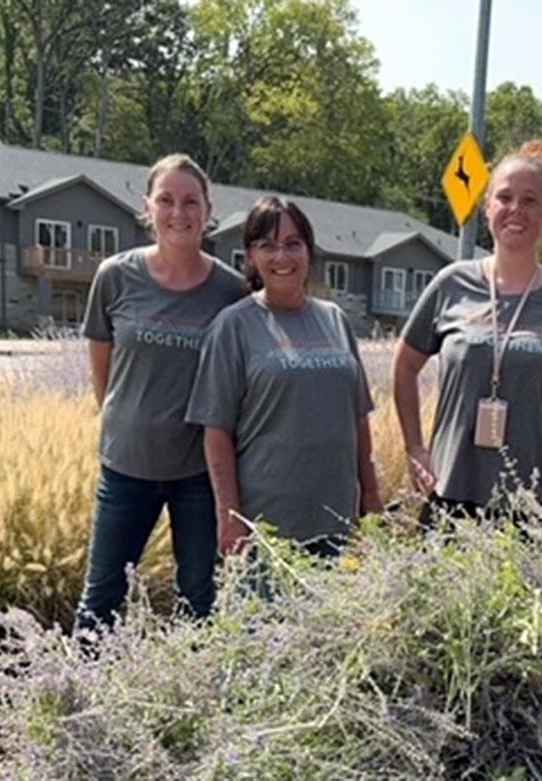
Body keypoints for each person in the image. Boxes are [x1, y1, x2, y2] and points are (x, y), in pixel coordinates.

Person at [392, 140, 542, 525]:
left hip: (537, 496)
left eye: (531, 201)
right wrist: (415, 447)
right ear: (487, 208)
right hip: (451, 487)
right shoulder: (451, 283)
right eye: (505, 197)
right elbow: (405, 365)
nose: (516, 210)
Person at [75, 154, 246, 632]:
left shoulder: (230, 293)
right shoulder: (114, 277)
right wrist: (123, 419)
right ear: (147, 208)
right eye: (166, 200)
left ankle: (190, 699)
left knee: (198, 599)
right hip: (126, 468)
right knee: (101, 598)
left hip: (197, 475)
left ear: (208, 211)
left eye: (191, 202)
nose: (179, 213)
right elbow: (102, 368)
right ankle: (78, 699)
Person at [186, 196, 380, 558]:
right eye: (267, 246)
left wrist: (370, 496)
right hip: (268, 530)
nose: (282, 257)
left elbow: (358, 418)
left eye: (293, 244)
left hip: (338, 522)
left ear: (309, 251)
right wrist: (229, 516)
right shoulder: (234, 326)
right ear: (251, 257)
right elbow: (216, 432)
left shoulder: (335, 319)